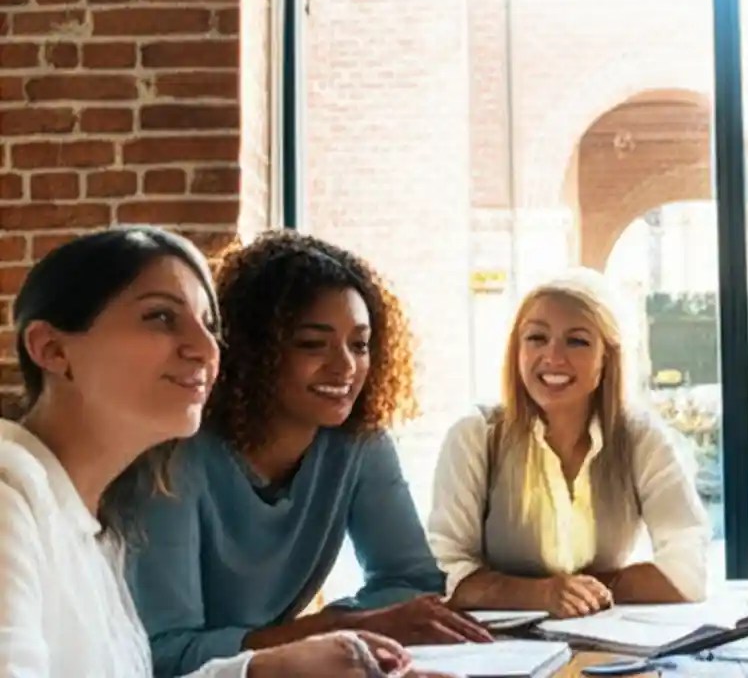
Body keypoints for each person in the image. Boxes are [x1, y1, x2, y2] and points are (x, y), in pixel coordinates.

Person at [0, 226, 428, 677]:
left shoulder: (93, 528)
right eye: (161, 317)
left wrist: (286, 666)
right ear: (51, 350)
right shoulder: (10, 506)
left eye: (209, 325)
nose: (206, 349)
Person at [128, 231, 489, 678]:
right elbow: (165, 655)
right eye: (312, 344)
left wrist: (337, 635)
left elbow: (412, 584)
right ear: (253, 351)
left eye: (359, 344)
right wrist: (336, 629)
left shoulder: (357, 442)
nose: (345, 367)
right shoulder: (173, 457)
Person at [427, 268, 709, 617]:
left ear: (607, 357)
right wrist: (542, 594)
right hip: (498, 651)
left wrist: (584, 591)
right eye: (536, 338)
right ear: (517, 351)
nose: (553, 357)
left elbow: (687, 571)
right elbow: (447, 577)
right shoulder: (475, 436)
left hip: (603, 636)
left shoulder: (640, 437)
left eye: (576, 341)